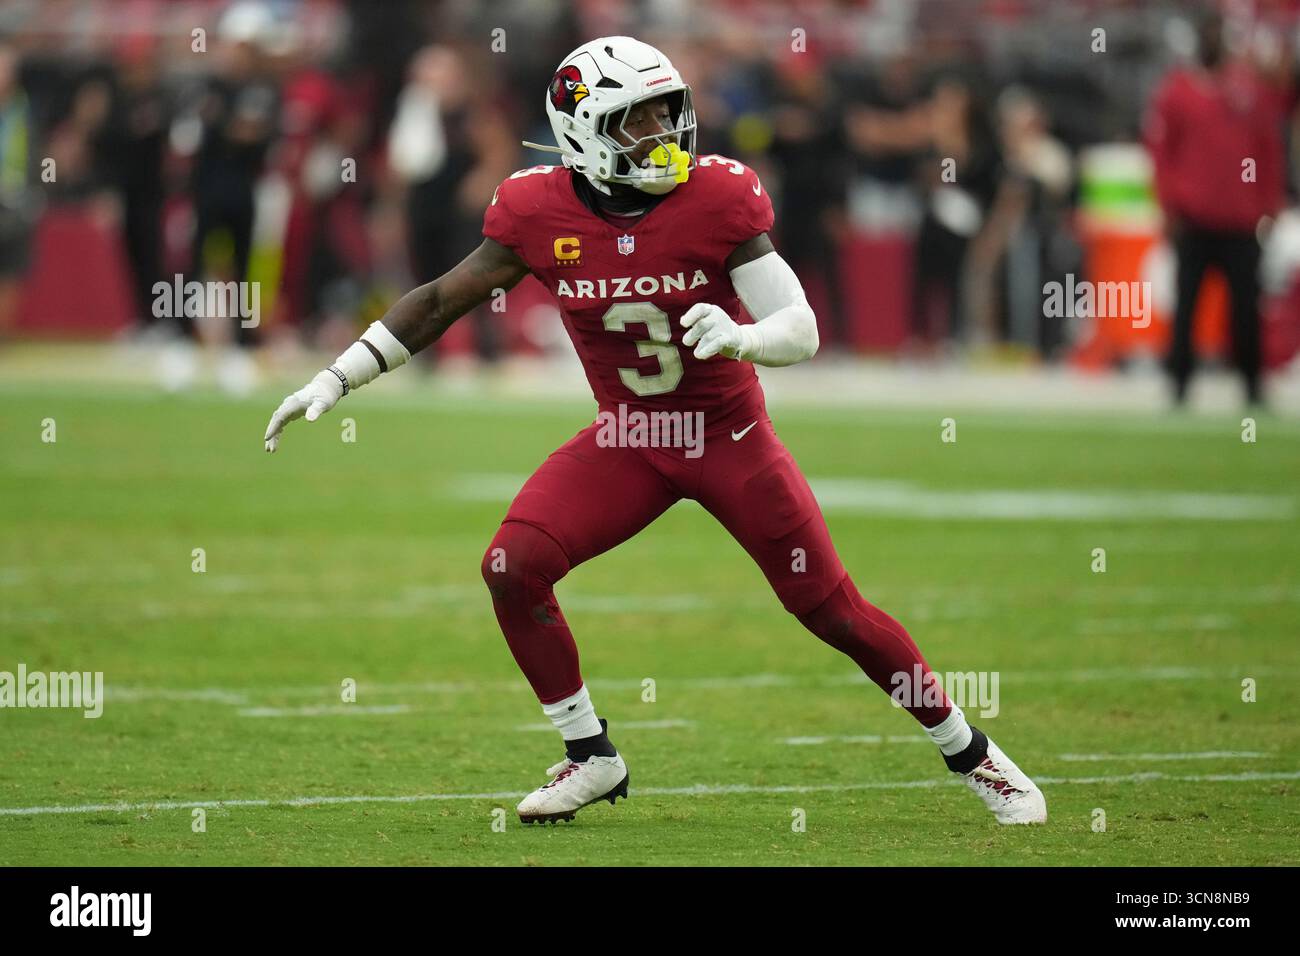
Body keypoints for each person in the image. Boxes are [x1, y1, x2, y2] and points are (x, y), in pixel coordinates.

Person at [264, 37, 1046, 827]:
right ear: (584, 131)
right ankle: (590, 755)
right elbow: (437, 301)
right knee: (513, 566)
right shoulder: (537, 209)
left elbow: (800, 328)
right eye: (636, 120)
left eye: (667, 114)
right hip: (628, 439)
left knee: (830, 609)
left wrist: (744, 339)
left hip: (727, 437)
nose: (663, 135)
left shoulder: (717, 198)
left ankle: (974, 754)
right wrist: (336, 378)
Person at [1146, 11, 1287, 405]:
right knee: (1186, 303)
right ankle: (1178, 381)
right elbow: (1161, 154)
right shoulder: (1177, 92)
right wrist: (1168, 206)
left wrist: (1268, 203)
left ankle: (1252, 382)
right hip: (1193, 219)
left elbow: (1268, 151)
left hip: (1240, 221)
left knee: (1245, 305)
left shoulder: (1249, 93)